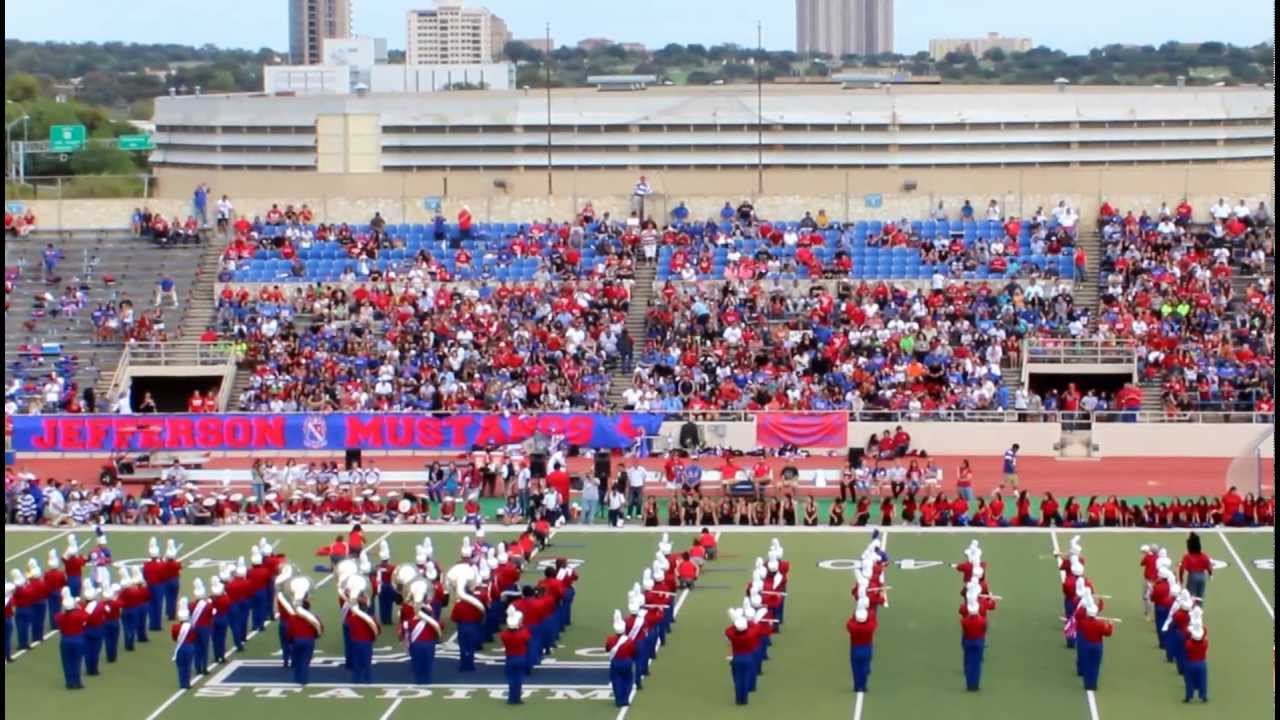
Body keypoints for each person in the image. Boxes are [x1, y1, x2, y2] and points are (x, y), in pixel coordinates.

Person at [287, 579, 323, 685]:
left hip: (297, 640)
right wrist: (315, 636)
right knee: (305, 661)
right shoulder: (313, 616)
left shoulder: (293, 617)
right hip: (308, 640)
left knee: (297, 660)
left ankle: (297, 678)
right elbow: (320, 627)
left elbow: (290, 631)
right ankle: (303, 679)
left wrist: (290, 640)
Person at [1076, 604, 1114, 691]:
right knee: (1095, 666)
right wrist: (1110, 625)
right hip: (1097, 646)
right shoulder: (1100, 624)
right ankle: (1093, 685)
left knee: (1087, 664)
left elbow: (1077, 616)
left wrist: (1082, 607)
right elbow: (1108, 633)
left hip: (1086, 645)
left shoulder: (1083, 622)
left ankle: (1087, 684)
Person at [55, 589, 87, 689]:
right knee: (77, 661)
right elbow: (85, 615)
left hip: (65, 640)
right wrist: (77, 606)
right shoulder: (79, 615)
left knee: (67, 662)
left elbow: (58, 616)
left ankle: (70, 682)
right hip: (78, 639)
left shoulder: (60, 617)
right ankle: (78, 682)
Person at [500, 606, 531, 705]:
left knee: (511, 679)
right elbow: (528, 639)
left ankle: (511, 698)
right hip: (520, 658)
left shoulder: (504, 635)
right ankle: (517, 698)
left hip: (510, 658)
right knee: (518, 679)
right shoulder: (523, 633)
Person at [605, 609, 636, 707]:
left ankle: (618, 700)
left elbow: (607, 649)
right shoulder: (629, 641)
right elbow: (634, 652)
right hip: (627, 662)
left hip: (616, 662)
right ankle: (625, 699)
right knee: (628, 681)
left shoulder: (610, 639)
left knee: (616, 681)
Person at [846, 600, 877, 693]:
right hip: (867, 648)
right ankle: (863, 686)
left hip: (855, 648)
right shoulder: (870, 626)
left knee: (855, 668)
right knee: (865, 666)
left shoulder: (852, 626)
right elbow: (874, 620)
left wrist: (855, 614)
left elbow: (850, 621)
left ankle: (857, 686)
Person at [960, 597, 989, 691]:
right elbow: (984, 630)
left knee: (969, 663)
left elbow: (965, 631)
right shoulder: (983, 621)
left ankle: (969, 685)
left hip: (968, 641)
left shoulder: (964, 621)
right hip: (979, 642)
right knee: (977, 665)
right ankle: (975, 685)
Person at [1178, 533, 1213, 602]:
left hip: (1192, 577)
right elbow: (1209, 566)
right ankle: (1199, 608)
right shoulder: (1204, 556)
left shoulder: (1187, 557)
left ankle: (1190, 607)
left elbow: (1182, 569)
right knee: (1200, 597)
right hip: (1202, 576)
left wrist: (1181, 579)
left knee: (1190, 597)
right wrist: (1210, 574)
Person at [1182, 613, 1208, 703]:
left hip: (1190, 663)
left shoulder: (1188, 644)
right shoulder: (1205, 643)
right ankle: (1203, 696)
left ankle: (1188, 697)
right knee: (1202, 680)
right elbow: (1204, 632)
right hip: (1201, 663)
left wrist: (1190, 631)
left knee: (1189, 681)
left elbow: (1186, 635)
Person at [171, 600, 197, 689]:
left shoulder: (175, 627)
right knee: (188, 666)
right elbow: (194, 637)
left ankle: (182, 684)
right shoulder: (191, 627)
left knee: (181, 667)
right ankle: (187, 683)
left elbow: (174, 638)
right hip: (189, 647)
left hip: (180, 648)